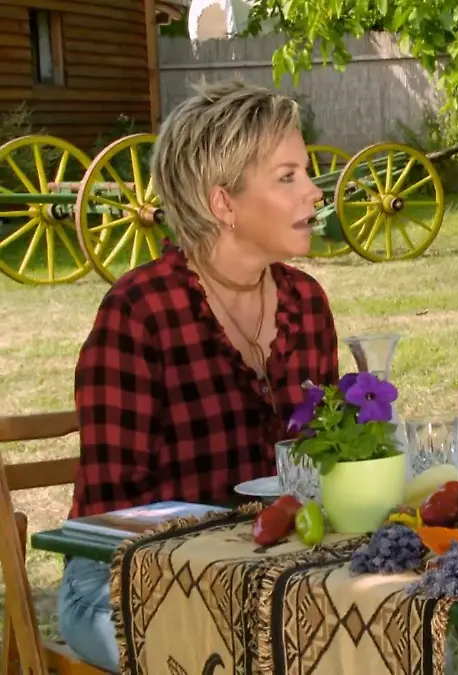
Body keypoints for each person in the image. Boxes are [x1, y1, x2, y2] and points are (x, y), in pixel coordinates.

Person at [59, 80, 340, 673]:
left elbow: (329, 459)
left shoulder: (306, 303)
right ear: (223, 204)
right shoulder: (140, 312)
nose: (314, 192)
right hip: (123, 578)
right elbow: (113, 517)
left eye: (307, 173)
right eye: (287, 177)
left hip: (263, 570)